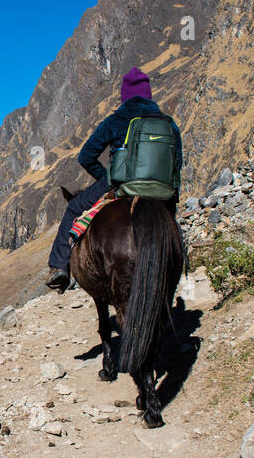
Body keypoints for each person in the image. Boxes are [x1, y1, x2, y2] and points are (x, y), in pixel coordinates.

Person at [45, 67, 182, 292]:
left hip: (121, 185)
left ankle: (59, 267)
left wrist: (106, 177)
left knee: (73, 208)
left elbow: (86, 156)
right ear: (149, 95)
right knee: (170, 224)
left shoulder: (117, 119)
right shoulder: (168, 123)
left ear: (124, 95)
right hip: (163, 189)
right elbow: (178, 163)